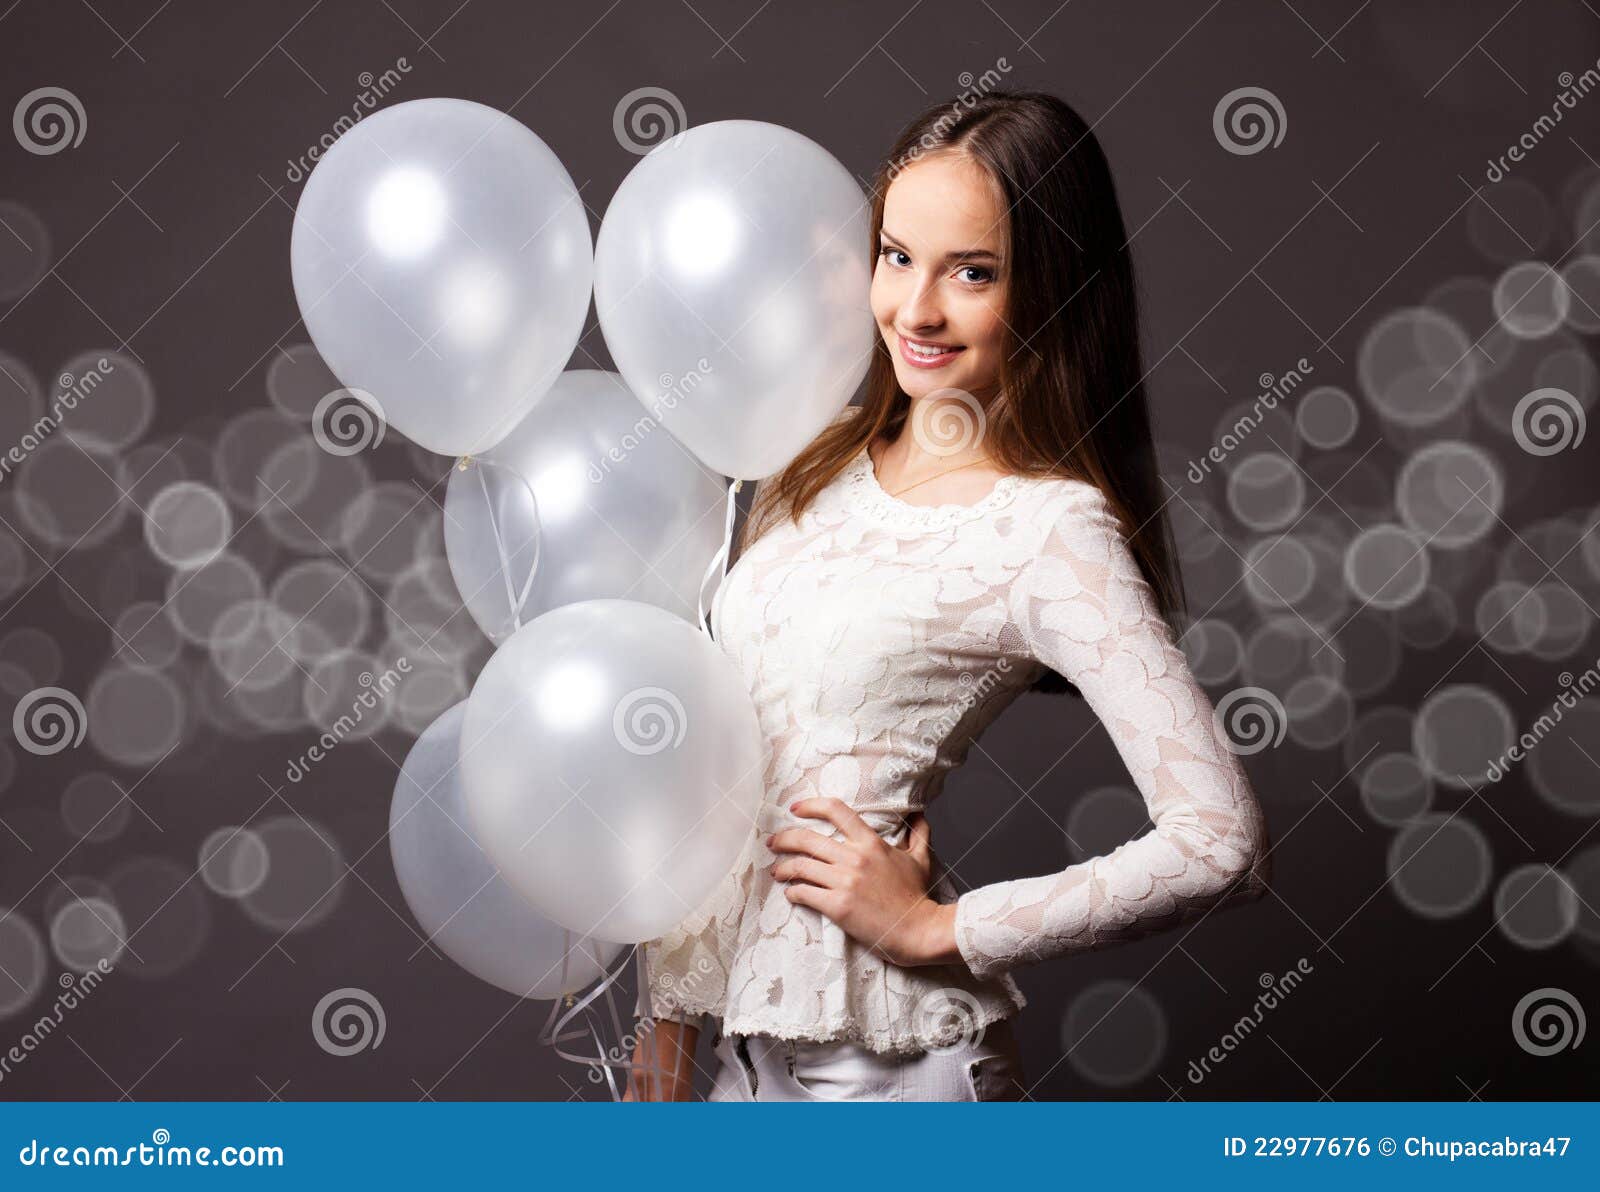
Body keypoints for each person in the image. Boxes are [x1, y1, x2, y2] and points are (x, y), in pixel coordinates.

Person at [625, 89, 1271, 1102]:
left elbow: (1218, 841)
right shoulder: (811, 456)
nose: (915, 310)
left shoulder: (1050, 529)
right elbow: (714, 785)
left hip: (893, 1072)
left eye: (973, 272)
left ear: (1053, 287)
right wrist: (659, 1058)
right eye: (895, 255)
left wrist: (936, 927)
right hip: (742, 1063)